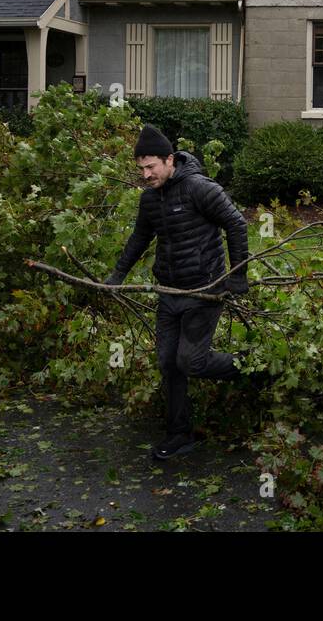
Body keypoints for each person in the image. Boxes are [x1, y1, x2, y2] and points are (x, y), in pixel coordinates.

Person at [106, 124, 250, 462]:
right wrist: (117, 274)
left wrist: (237, 275)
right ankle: (179, 434)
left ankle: (250, 369)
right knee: (168, 363)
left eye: (151, 166)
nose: (145, 174)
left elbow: (237, 223)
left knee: (191, 361)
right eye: (141, 168)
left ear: (170, 160)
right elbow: (139, 239)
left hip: (203, 289)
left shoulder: (200, 189)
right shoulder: (150, 200)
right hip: (168, 291)